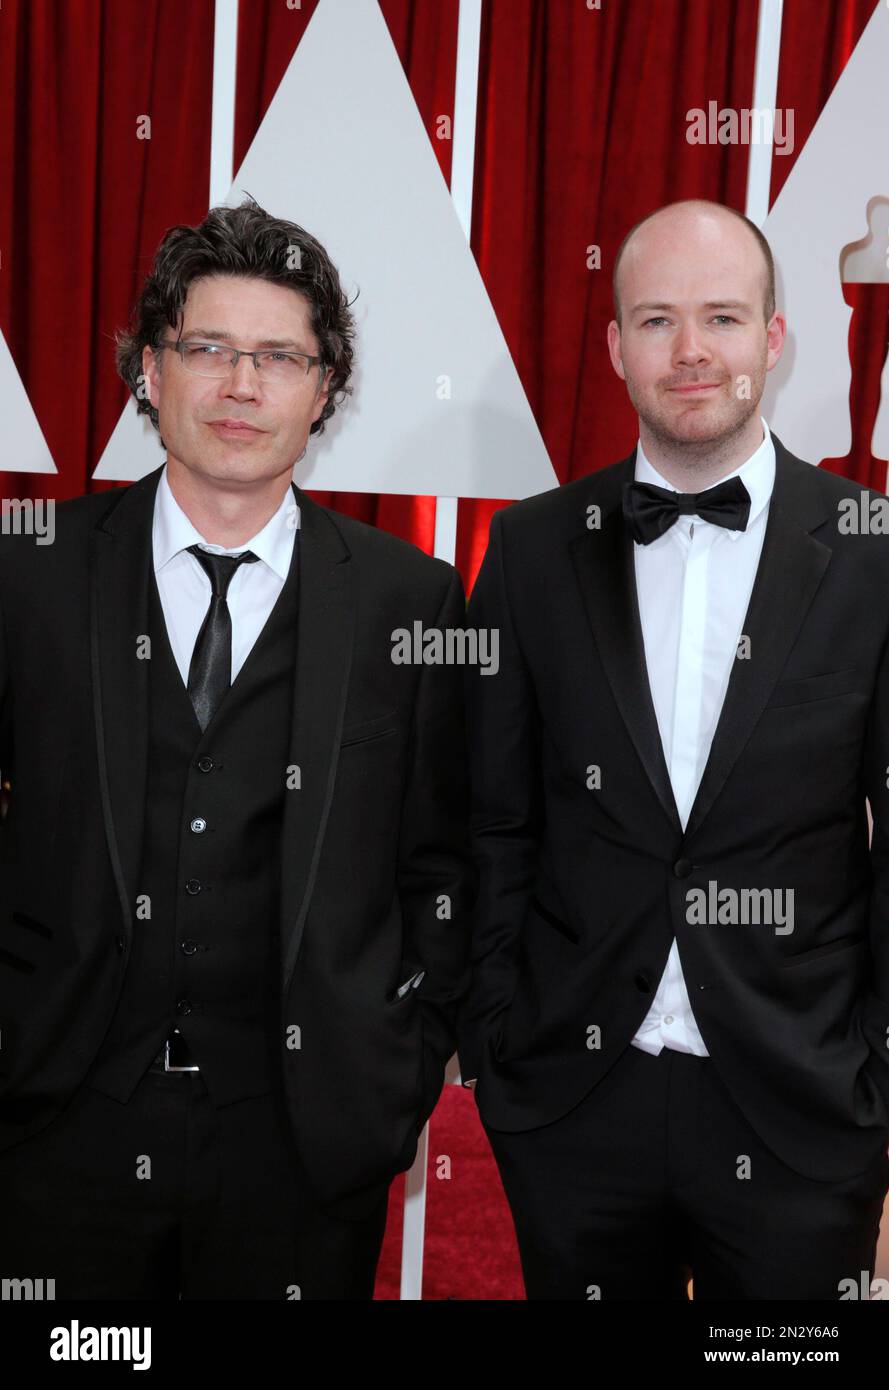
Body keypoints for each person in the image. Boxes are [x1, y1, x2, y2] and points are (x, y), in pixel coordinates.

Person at [0, 197, 472, 1300]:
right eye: (206, 348)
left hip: (304, 1152)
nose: (240, 385)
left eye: (277, 356)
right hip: (54, 1127)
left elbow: (443, 863)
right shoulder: (29, 574)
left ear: (323, 392)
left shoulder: (413, 598)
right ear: (149, 375)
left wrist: (398, 1075)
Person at [458, 198, 889, 1300]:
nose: (690, 351)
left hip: (801, 1105)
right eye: (655, 320)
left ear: (774, 338)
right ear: (613, 347)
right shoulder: (529, 547)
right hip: (574, 1103)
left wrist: (874, 1074)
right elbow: (494, 819)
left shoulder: (869, 551)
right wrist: (499, 1037)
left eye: (722, 318)